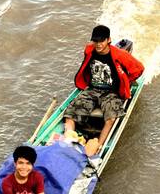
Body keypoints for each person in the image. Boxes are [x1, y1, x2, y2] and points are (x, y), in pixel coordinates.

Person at [61, 26, 144, 155]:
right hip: (92, 90)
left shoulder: (119, 54)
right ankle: (68, 142)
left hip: (111, 92)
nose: (98, 44)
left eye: (102, 41)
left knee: (111, 118)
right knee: (70, 115)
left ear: (109, 40)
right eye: (95, 41)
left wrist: (126, 80)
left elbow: (139, 68)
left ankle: (98, 147)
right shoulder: (89, 50)